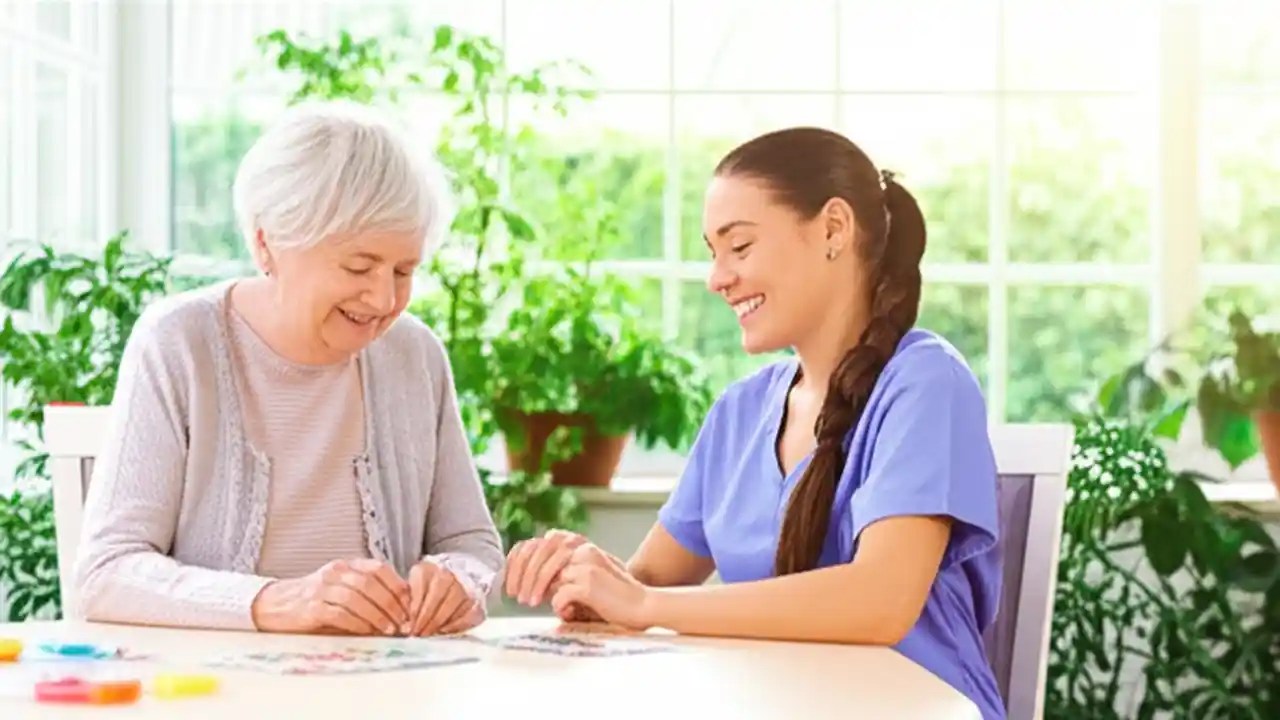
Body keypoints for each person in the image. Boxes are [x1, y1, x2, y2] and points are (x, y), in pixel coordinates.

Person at [502, 127, 1005, 719]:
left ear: (833, 230)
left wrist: (644, 604)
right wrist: (590, 582)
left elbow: (880, 601)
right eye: (712, 254)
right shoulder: (740, 412)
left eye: (739, 248)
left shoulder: (924, 383)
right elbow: (651, 578)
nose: (717, 278)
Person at [75, 101, 503, 637]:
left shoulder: (414, 355)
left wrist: (458, 581)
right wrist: (274, 602)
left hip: (383, 689)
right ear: (267, 243)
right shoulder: (178, 343)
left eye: (404, 269)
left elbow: (471, 544)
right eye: (359, 265)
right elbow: (105, 574)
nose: (384, 297)